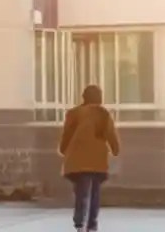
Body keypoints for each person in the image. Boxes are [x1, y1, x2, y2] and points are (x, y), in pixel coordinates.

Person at [59, 85, 121, 232]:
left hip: (77, 161)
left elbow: (66, 135)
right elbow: (111, 135)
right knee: (94, 193)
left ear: (84, 97)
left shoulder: (74, 113)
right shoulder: (103, 114)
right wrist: (115, 149)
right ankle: (92, 225)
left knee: (81, 192)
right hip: (97, 161)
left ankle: (79, 223)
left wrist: (63, 149)